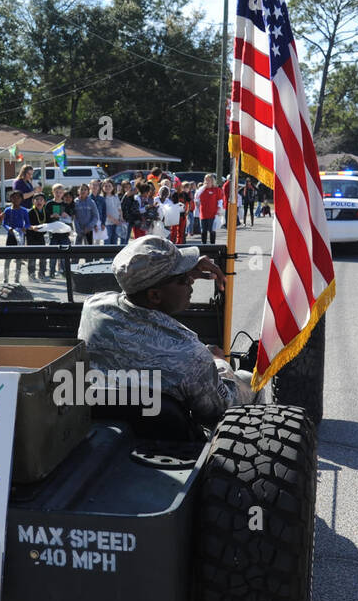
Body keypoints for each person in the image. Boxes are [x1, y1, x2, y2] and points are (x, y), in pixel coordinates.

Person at [77, 234, 253, 426]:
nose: (191, 281)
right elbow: (224, 408)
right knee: (250, 380)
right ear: (154, 296)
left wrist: (182, 272)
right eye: (183, 279)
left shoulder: (93, 308)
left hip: (101, 424)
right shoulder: (191, 356)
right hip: (176, 439)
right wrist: (219, 363)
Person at [1, 190, 30, 282]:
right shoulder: (8, 210)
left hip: (20, 236)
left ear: (21, 199)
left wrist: (24, 228)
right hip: (11, 236)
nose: (16, 199)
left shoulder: (24, 211)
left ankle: (16, 279)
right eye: (14, 197)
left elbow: (28, 223)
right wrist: (9, 228)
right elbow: (4, 223)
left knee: (18, 259)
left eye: (18, 197)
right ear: (10, 199)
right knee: (7, 258)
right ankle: (5, 278)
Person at [26, 193, 49, 278]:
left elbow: (49, 223)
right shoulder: (30, 212)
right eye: (37, 199)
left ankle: (42, 273)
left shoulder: (46, 211)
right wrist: (32, 227)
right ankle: (31, 274)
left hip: (41, 237)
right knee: (32, 257)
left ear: (44, 202)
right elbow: (26, 225)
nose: (39, 201)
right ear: (33, 201)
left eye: (41, 200)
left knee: (43, 256)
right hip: (31, 237)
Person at [196, 174, 222, 245]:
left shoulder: (217, 190)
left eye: (209, 180)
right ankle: (203, 245)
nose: (207, 181)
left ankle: (212, 245)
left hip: (213, 213)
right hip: (203, 213)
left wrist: (219, 210)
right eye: (206, 180)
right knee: (203, 230)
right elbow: (196, 198)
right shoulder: (202, 189)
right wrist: (198, 206)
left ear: (212, 181)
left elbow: (220, 201)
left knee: (212, 230)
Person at [102, 180, 123, 244]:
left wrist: (121, 218)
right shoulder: (102, 198)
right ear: (102, 188)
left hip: (117, 222)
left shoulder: (115, 197)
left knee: (115, 241)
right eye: (106, 186)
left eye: (109, 186)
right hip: (107, 223)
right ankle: (106, 254)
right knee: (107, 242)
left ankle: (113, 254)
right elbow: (104, 212)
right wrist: (113, 220)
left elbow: (119, 208)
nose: (107, 187)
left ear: (113, 187)